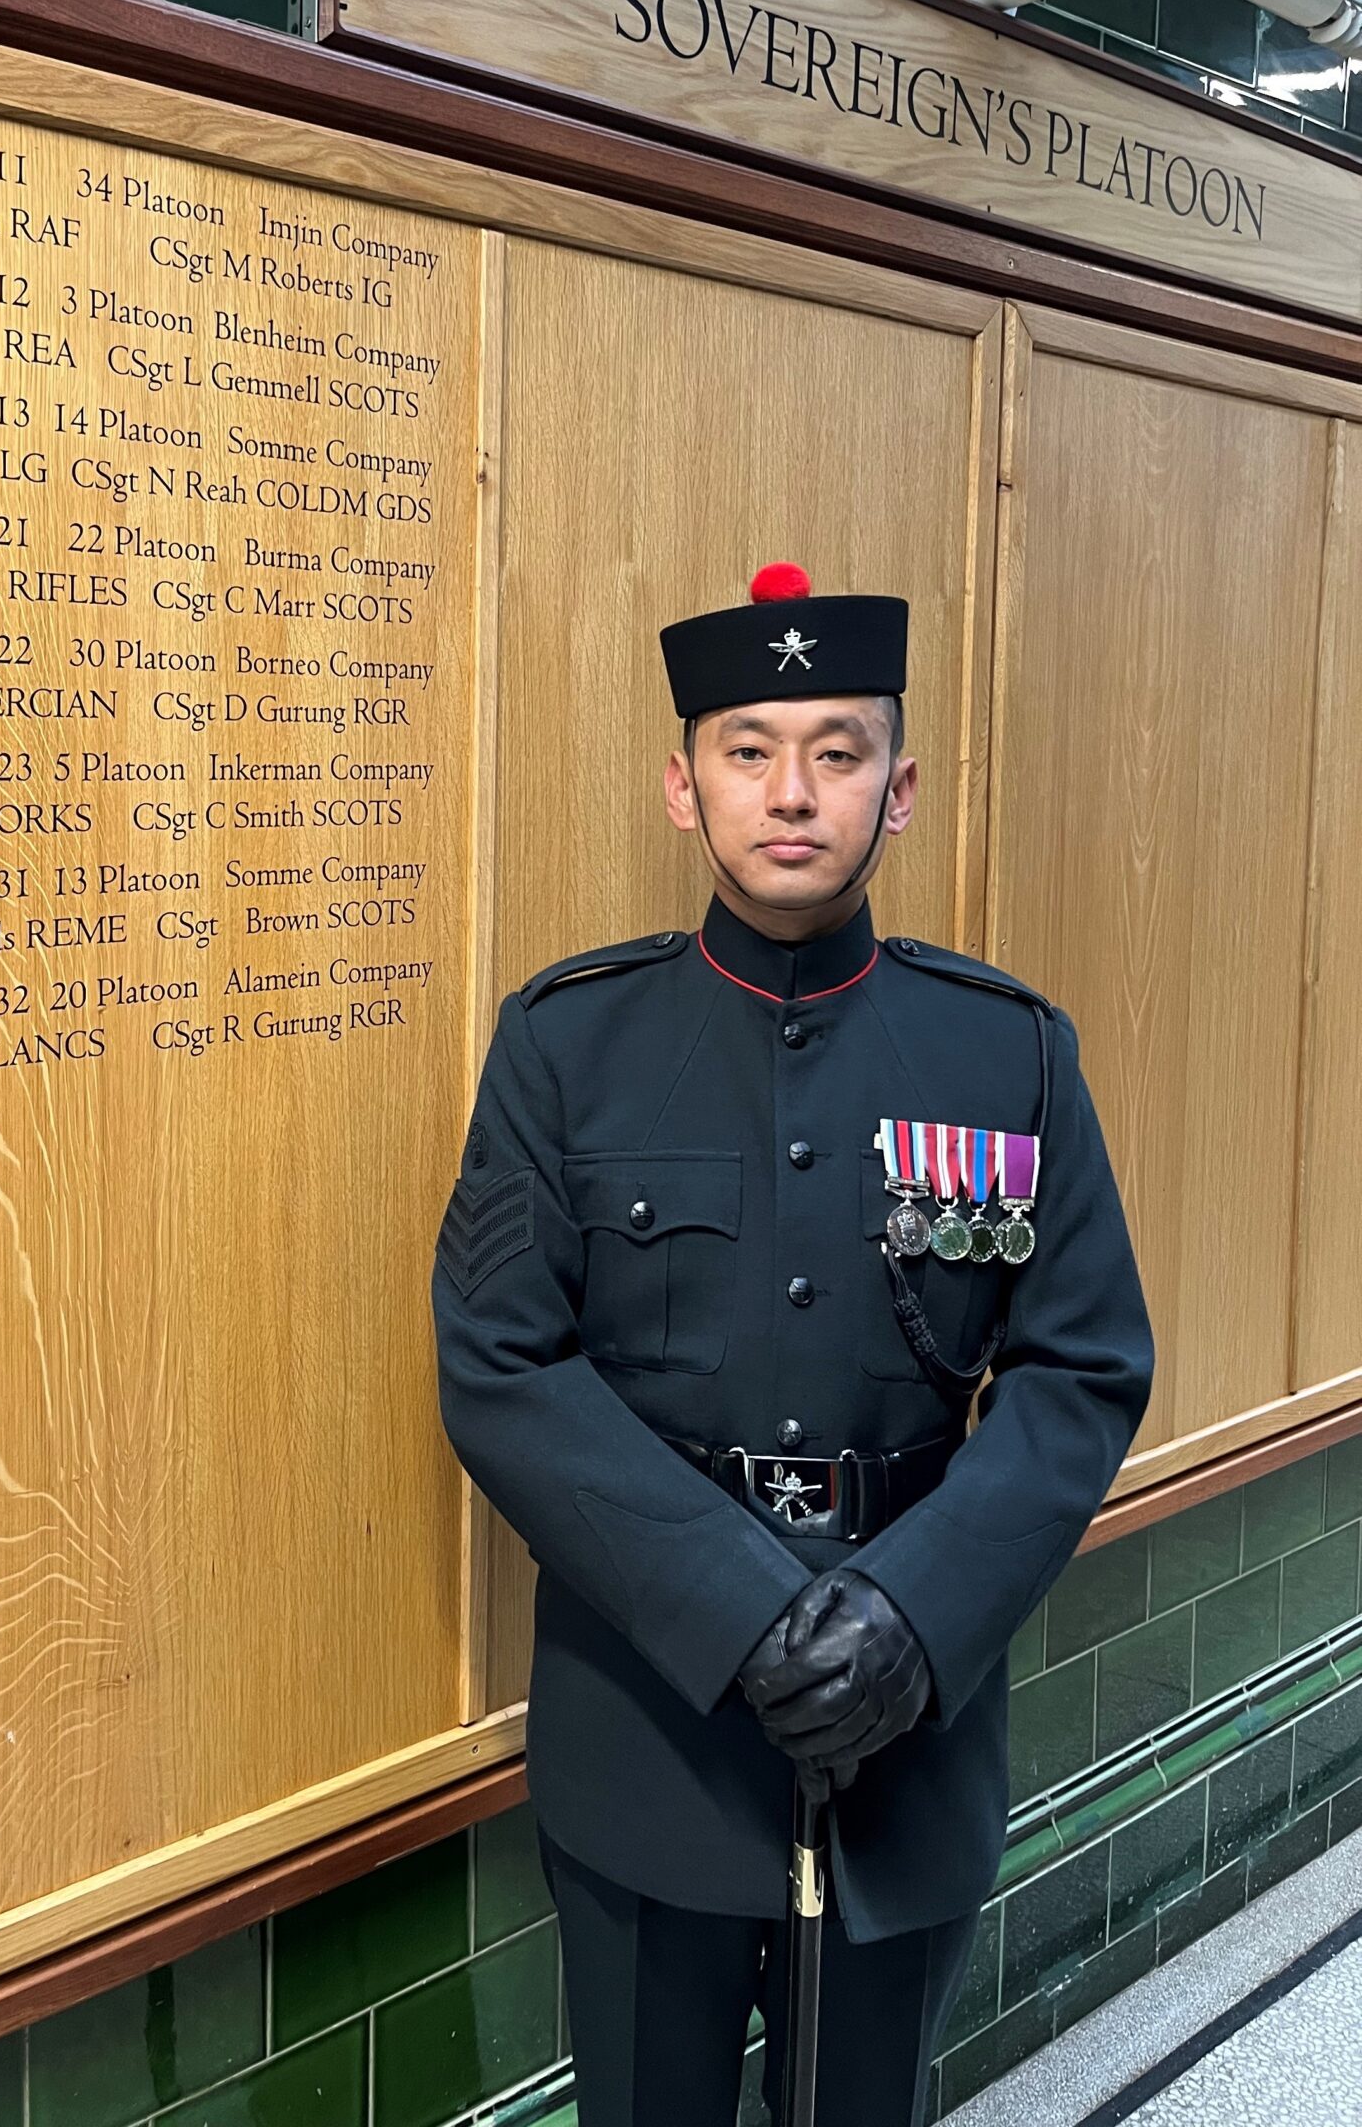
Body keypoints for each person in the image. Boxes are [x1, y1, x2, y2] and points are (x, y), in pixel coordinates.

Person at [431, 562, 1154, 2126]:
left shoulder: (1006, 1050)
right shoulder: (569, 1047)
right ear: (682, 786)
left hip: (914, 1715)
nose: (792, 793)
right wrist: (744, 1612)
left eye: (837, 752)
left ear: (898, 791)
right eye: (749, 748)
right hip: (652, 1724)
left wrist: (909, 1613)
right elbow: (502, 1365)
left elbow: (1081, 1369)